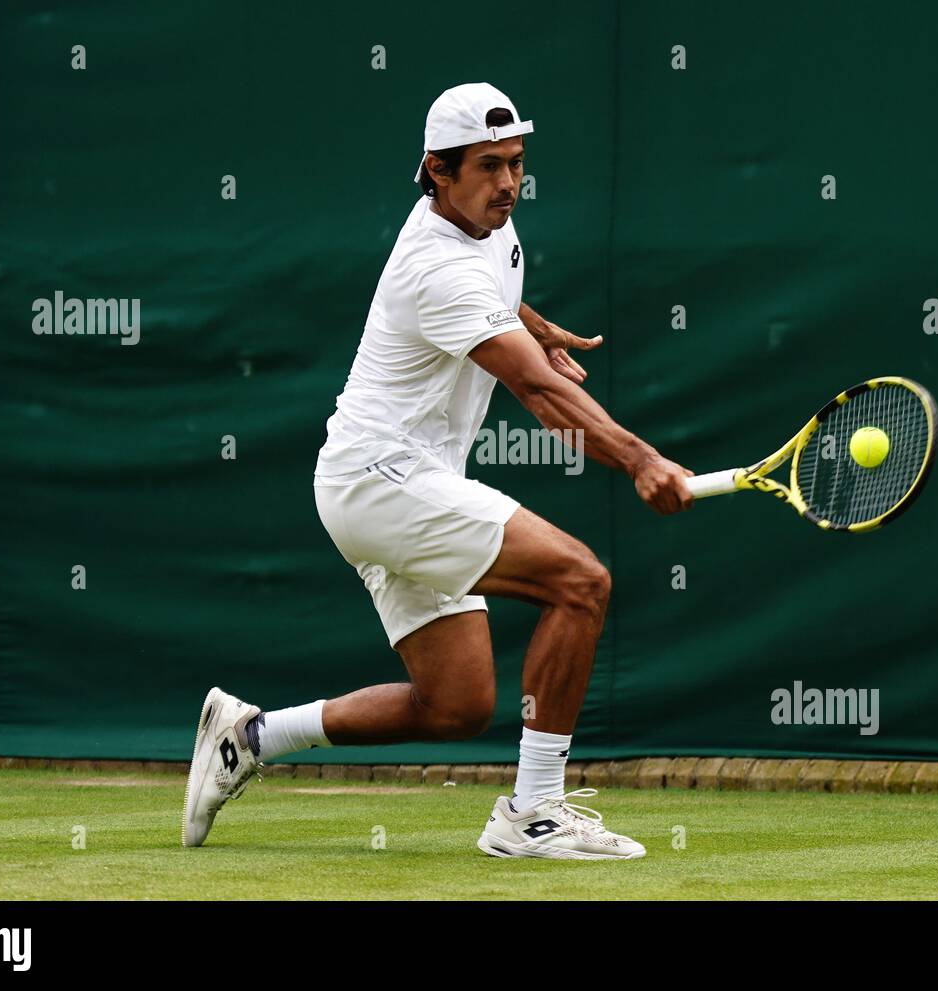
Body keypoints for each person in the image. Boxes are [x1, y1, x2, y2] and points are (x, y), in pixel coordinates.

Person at [182, 82, 694, 859]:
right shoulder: (437, 268)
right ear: (438, 171)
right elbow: (535, 388)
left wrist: (533, 321)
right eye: (489, 167)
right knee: (580, 582)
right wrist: (641, 459)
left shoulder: (486, 229)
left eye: (517, 163)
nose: (509, 183)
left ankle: (250, 734)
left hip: (383, 478)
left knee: (456, 704)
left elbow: (494, 293)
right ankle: (534, 813)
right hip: (382, 478)